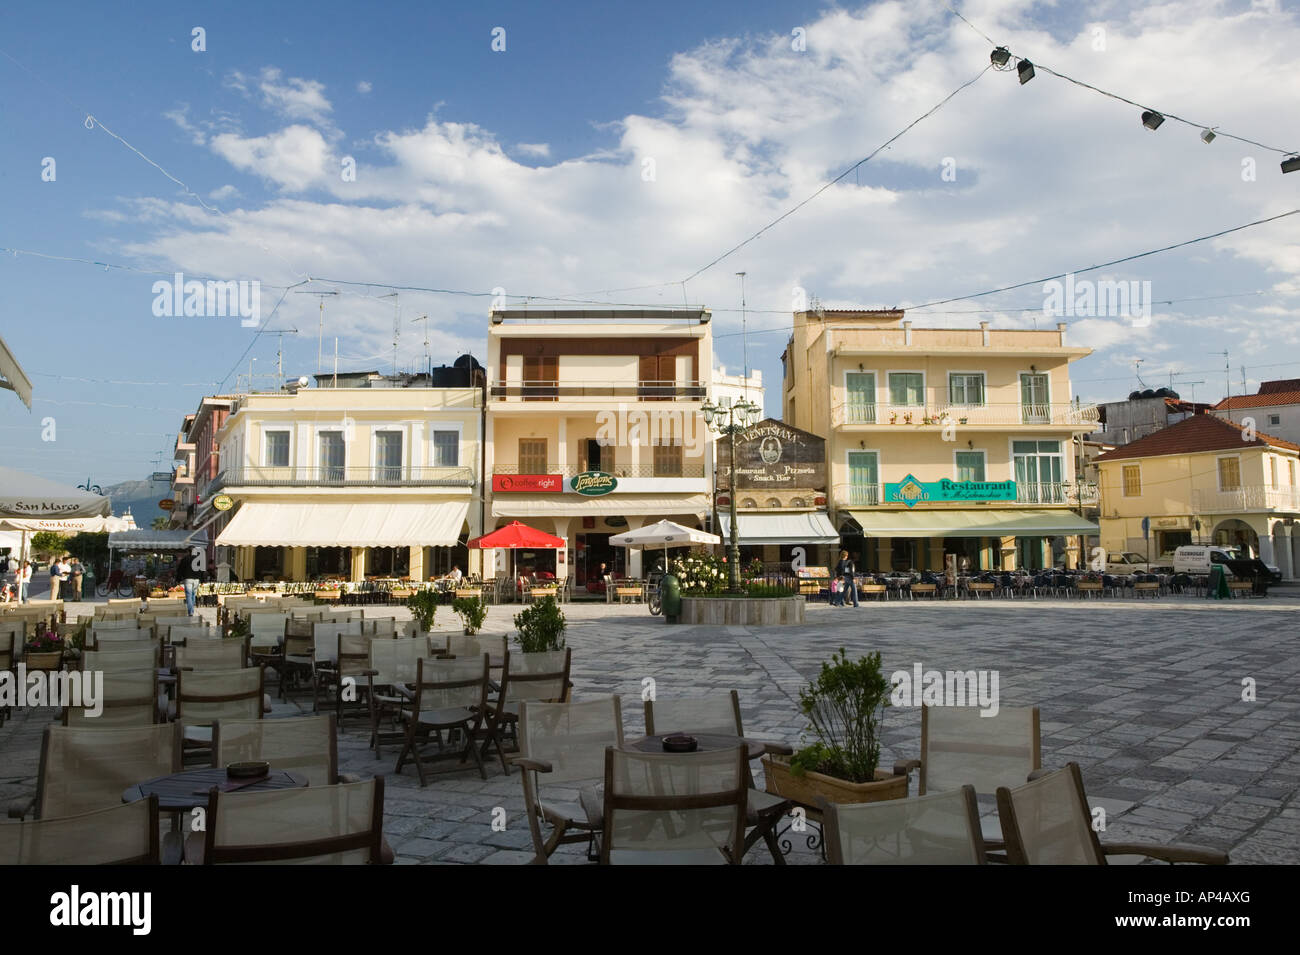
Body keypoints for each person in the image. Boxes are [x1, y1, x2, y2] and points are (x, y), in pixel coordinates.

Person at [175, 545, 207, 616]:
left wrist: (178, 579)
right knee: (193, 594)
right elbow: (202, 571)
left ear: (188, 551)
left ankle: (191, 611)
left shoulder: (185, 559)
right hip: (196, 579)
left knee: (189, 595)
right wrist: (202, 580)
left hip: (188, 579)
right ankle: (192, 609)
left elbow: (180, 570)